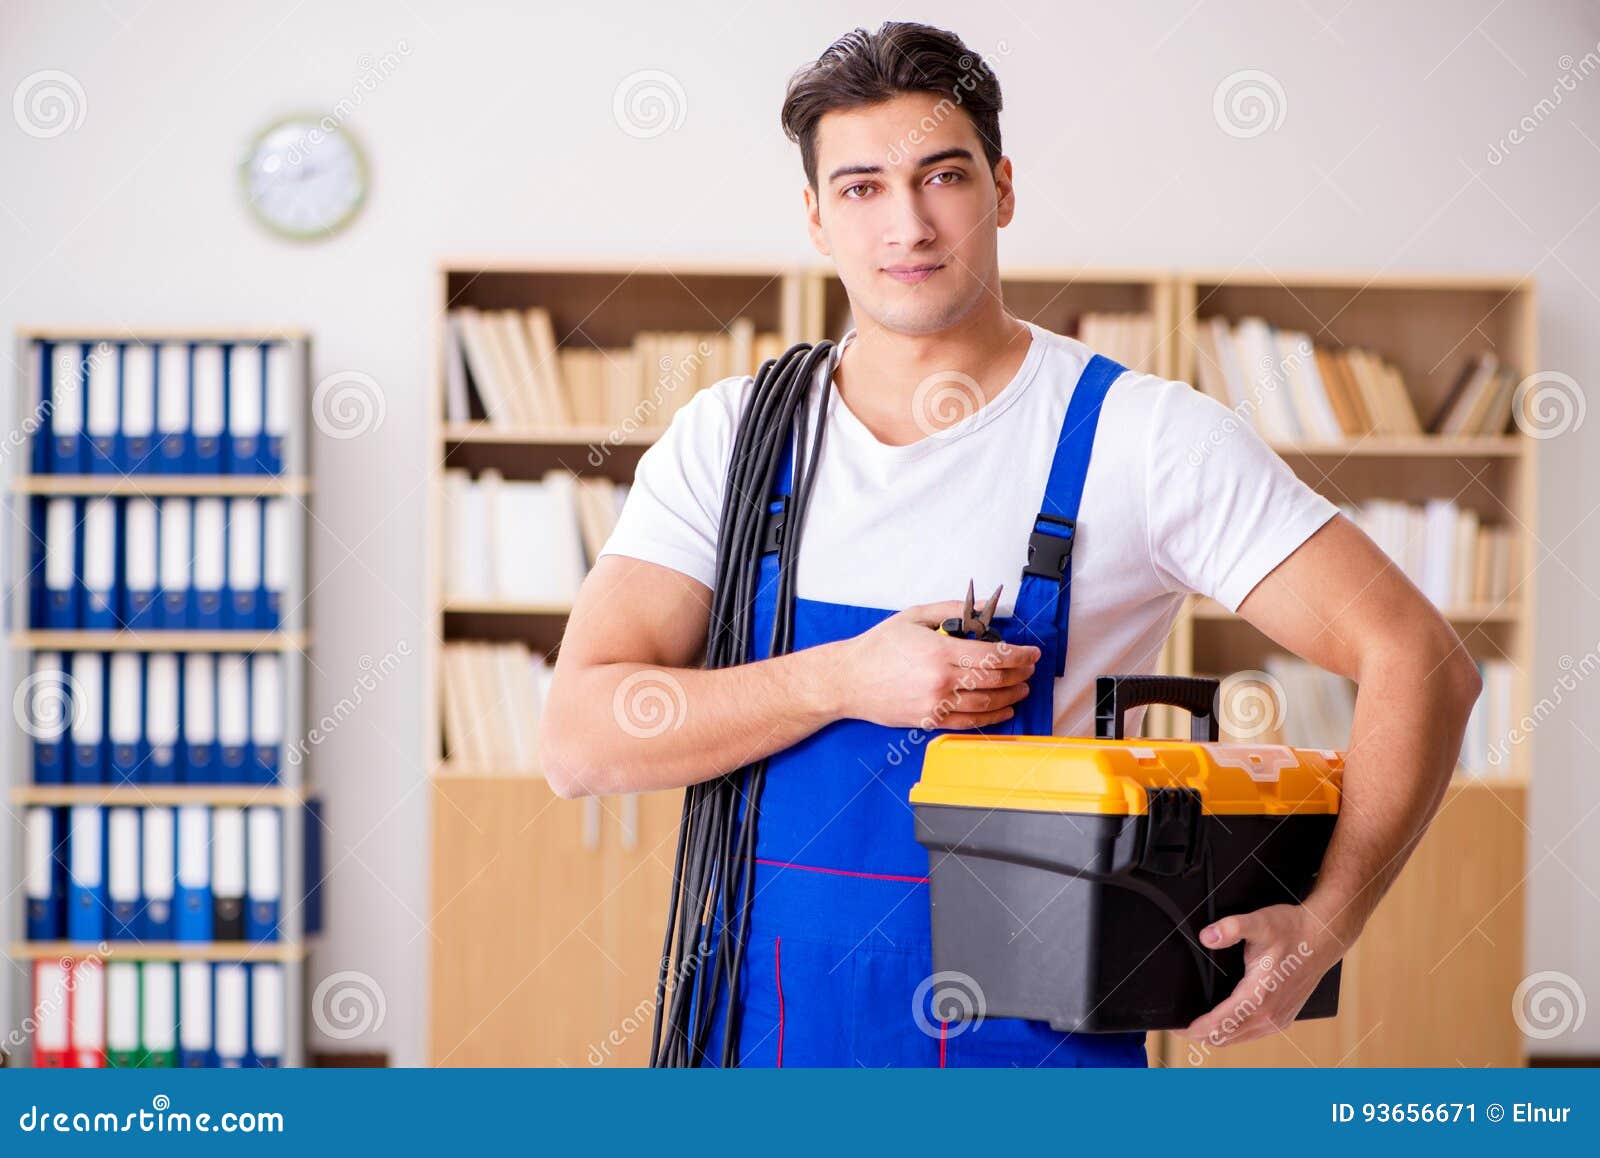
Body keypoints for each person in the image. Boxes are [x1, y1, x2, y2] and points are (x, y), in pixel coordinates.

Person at [541, 21, 1482, 1067]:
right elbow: (582, 740)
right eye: (859, 188)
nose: (906, 223)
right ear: (816, 217)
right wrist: (843, 680)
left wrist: (1328, 920)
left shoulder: (1141, 438)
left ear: (1001, 188)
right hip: (762, 1034)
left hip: (1036, 1059)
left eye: (940, 176)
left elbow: (1422, 659)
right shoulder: (733, 439)